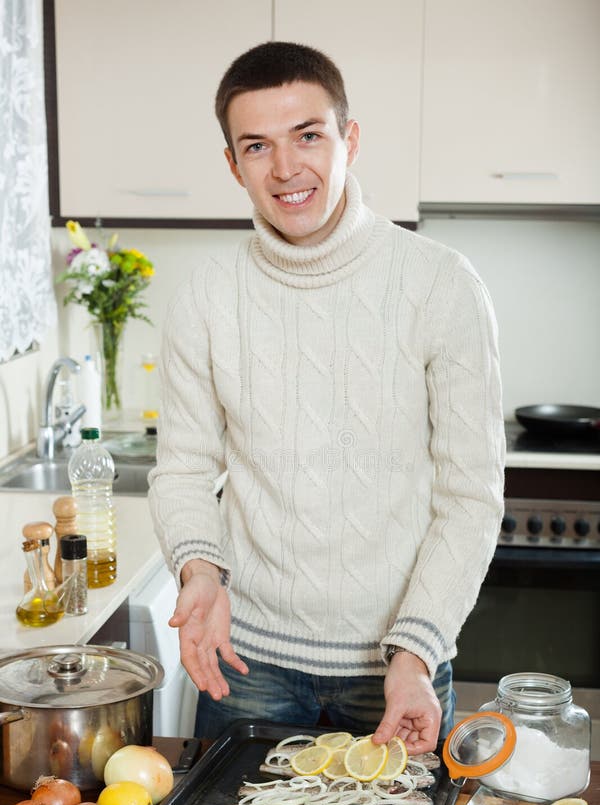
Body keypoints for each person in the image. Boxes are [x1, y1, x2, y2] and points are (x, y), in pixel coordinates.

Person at [148, 41, 505, 755]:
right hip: (245, 662)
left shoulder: (441, 283)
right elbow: (184, 467)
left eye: (308, 135)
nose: (286, 169)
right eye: (257, 146)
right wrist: (199, 570)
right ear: (233, 164)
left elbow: (470, 498)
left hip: (397, 668)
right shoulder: (207, 295)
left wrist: (415, 653)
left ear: (350, 138)